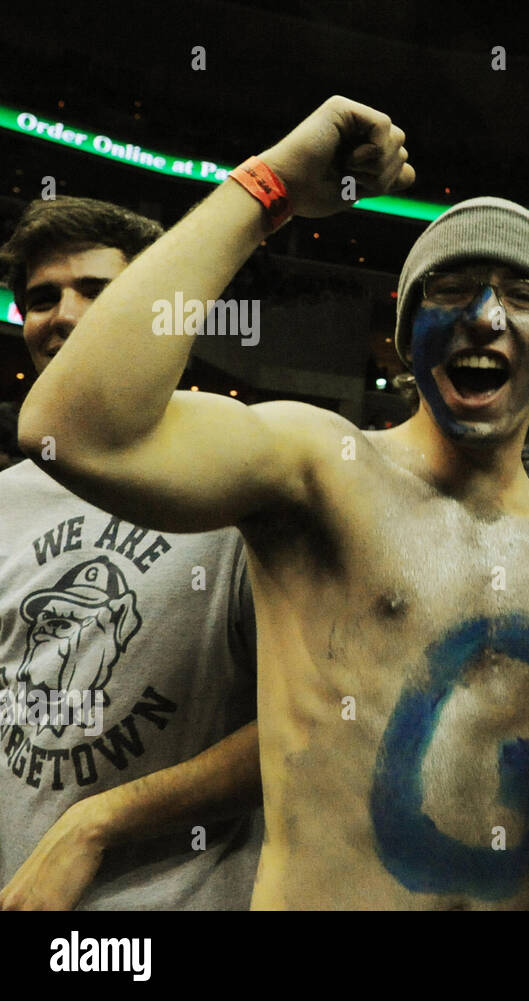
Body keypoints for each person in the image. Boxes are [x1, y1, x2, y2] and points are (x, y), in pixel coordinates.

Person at [18, 98, 529, 909]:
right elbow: (75, 431)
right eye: (451, 289)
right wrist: (269, 187)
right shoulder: (322, 464)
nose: (487, 316)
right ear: (408, 336)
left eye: (525, 294)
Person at [0, 196, 261, 910]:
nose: (63, 314)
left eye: (97, 291)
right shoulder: (4, 500)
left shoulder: (238, 477)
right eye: (41, 297)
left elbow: (318, 722)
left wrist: (96, 825)